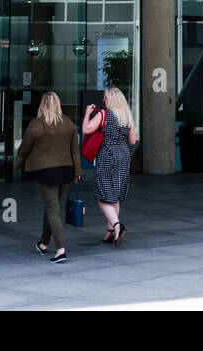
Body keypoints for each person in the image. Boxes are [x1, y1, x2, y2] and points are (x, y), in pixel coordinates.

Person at [14, 91, 81, 263]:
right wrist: (78, 172)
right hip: (65, 171)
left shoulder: (37, 125)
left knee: (52, 209)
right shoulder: (68, 123)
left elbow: (23, 150)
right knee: (52, 206)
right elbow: (75, 151)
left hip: (45, 172)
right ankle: (43, 243)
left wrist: (15, 167)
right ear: (58, 104)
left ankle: (61, 250)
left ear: (42, 105)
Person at [82, 86, 137, 248]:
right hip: (124, 156)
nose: (103, 101)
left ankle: (117, 225)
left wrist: (87, 114)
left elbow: (86, 129)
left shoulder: (103, 114)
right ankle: (110, 233)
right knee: (114, 195)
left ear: (109, 100)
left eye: (105, 98)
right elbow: (132, 141)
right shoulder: (128, 116)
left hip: (106, 155)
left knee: (102, 195)